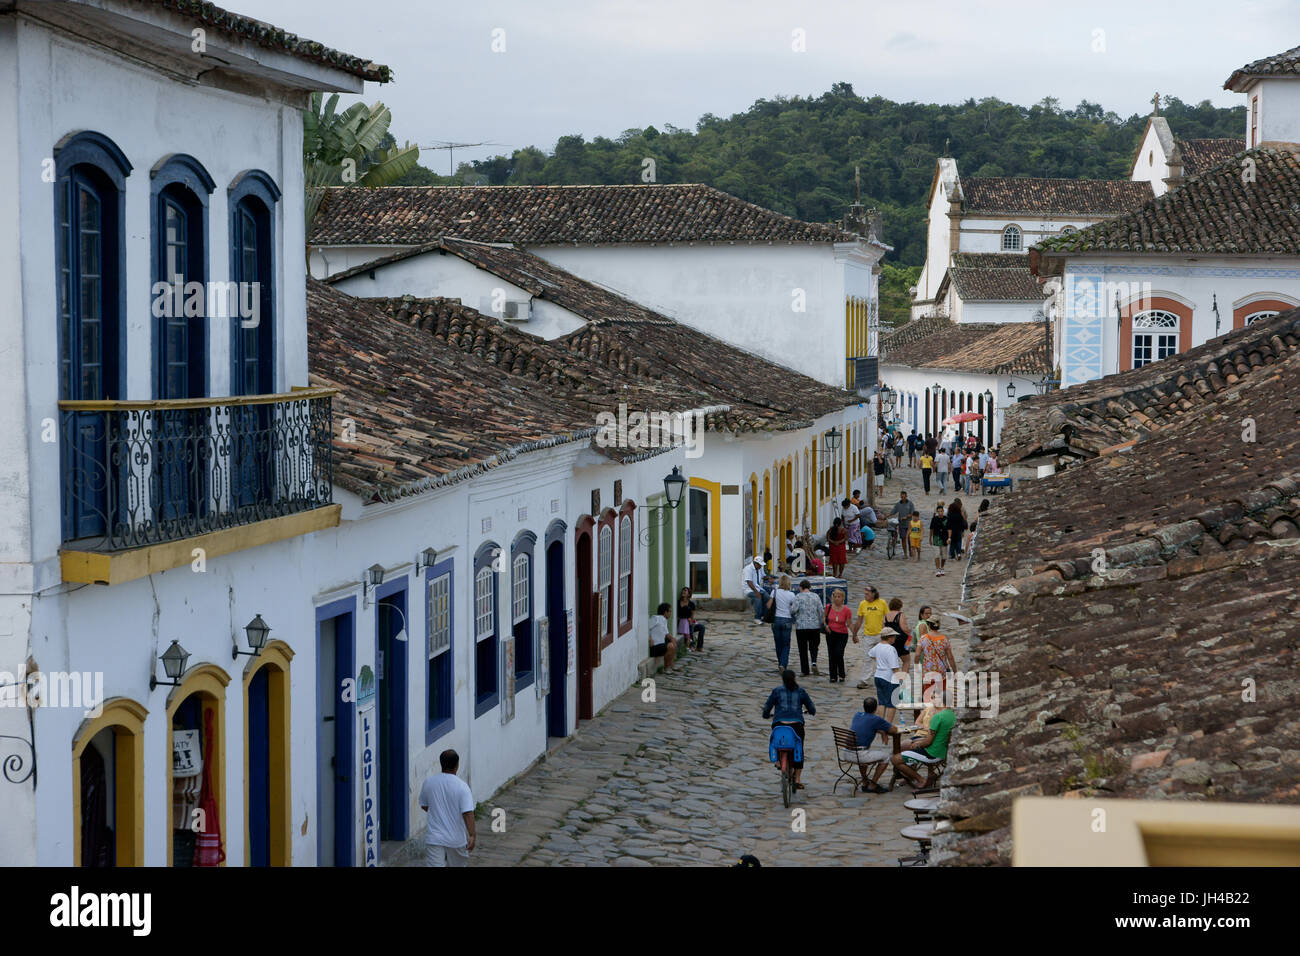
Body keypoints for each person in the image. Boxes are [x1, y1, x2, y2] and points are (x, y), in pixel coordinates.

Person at [418, 749, 477, 867]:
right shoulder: (462, 787)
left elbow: (424, 805)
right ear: (457, 765)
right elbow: (467, 813)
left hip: (434, 837)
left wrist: (437, 812)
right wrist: (472, 835)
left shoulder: (429, 782)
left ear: (441, 764)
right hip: (456, 839)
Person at [761, 670, 816, 789]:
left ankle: (778, 761)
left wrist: (766, 715)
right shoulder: (801, 692)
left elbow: (767, 707)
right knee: (799, 748)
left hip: (779, 724)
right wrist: (811, 711)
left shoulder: (777, 691)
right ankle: (797, 779)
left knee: (776, 740)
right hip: (796, 726)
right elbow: (811, 707)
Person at [891, 706, 955, 790]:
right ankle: (915, 775)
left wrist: (918, 744)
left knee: (895, 759)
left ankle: (920, 780)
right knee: (909, 747)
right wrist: (919, 742)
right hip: (944, 752)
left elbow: (928, 742)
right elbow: (937, 737)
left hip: (932, 753)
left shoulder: (938, 717)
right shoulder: (954, 715)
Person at [848, 698, 895, 793]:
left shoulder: (857, 715)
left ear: (863, 707)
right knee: (886, 757)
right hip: (859, 755)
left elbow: (867, 727)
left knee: (864, 753)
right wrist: (884, 731)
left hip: (847, 753)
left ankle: (865, 782)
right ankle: (873, 785)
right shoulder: (876, 719)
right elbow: (894, 730)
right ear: (876, 708)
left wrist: (881, 732)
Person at [851, 584, 889, 689]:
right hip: (868, 636)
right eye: (864, 594)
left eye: (867, 594)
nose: (865, 596)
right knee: (867, 658)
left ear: (873, 594)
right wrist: (854, 634)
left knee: (883, 658)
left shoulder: (882, 603)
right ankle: (864, 680)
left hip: (881, 635)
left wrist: (886, 632)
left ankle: (884, 679)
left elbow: (887, 618)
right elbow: (859, 620)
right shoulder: (863, 604)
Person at [917, 611, 956, 705]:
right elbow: (950, 657)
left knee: (928, 694)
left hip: (928, 670)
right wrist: (955, 671)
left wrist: (915, 665)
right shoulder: (944, 639)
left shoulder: (923, 638)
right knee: (940, 694)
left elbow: (917, 654)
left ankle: (929, 715)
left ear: (929, 625)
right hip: (941, 671)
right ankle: (939, 712)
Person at [867, 630, 902, 725]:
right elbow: (894, 667)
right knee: (892, 703)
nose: (895, 638)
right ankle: (888, 724)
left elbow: (870, 654)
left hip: (878, 676)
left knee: (882, 702)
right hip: (888, 677)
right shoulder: (890, 649)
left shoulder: (878, 646)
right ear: (889, 637)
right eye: (894, 636)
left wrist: (879, 662)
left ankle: (880, 722)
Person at [791, 579, 823, 676]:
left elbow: (793, 610)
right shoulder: (816, 596)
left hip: (801, 626)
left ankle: (805, 670)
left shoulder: (798, 597)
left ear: (801, 587)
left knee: (802, 648)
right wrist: (821, 622)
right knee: (814, 646)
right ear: (809, 587)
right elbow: (821, 611)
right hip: (814, 626)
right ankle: (813, 662)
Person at [766, 574, 797, 672]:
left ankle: (780, 662)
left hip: (776, 619)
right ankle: (783, 664)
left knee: (778, 643)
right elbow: (794, 608)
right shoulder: (791, 595)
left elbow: (768, 605)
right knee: (786, 644)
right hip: (787, 620)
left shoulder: (774, 592)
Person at [824, 588, 852, 683]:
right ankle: (833, 676)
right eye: (835, 596)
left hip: (842, 634)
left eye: (838, 596)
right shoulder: (828, 607)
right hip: (831, 633)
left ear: (842, 598)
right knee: (831, 654)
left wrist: (855, 634)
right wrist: (825, 625)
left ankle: (841, 674)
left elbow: (849, 623)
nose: (836, 598)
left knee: (839, 654)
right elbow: (824, 618)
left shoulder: (846, 610)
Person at [648, 601, 677, 670]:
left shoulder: (664, 620)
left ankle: (672, 665)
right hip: (654, 646)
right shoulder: (656, 618)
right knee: (670, 646)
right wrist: (650, 638)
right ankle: (666, 668)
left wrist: (673, 639)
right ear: (665, 612)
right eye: (670, 611)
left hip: (661, 644)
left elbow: (666, 634)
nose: (670, 613)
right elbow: (646, 628)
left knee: (673, 643)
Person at [742, 555, 770, 626]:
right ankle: (757, 618)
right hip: (749, 589)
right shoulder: (748, 569)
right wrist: (756, 592)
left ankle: (764, 615)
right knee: (758, 597)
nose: (761, 567)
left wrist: (769, 578)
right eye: (760, 565)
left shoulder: (759, 568)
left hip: (758, 588)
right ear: (756, 563)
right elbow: (749, 582)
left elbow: (763, 576)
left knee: (767, 597)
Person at [677, 586, 705, 651]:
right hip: (681, 623)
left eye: (685, 590)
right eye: (683, 590)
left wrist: (690, 621)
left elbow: (692, 617)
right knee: (690, 626)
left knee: (701, 627)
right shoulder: (678, 603)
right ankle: (691, 645)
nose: (683, 591)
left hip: (689, 623)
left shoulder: (691, 604)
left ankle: (699, 646)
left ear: (689, 594)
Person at [889, 492, 916, 558]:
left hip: (909, 524)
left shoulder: (910, 504)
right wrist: (887, 515)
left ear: (906, 496)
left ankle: (910, 551)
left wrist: (907, 517)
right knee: (903, 539)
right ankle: (905, 553)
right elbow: (893, 511)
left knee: (909, 539)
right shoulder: (898, 504)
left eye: (904, 496)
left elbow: (912, 513)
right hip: (901, 524)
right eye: (901, 497)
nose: (903, 498)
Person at [930, 503, 948, 577]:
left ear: (943, 511)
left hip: (944, 539)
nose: (940, 513)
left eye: (941, 511)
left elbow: (949, 529)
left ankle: (942, 567)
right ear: (937, 512)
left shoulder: (946, 519)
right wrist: (930, 538)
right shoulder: (934, 519)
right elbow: (931, 529)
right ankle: (937, 569)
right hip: (936, 538)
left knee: (944, 556)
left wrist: (949, 537)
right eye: (939, 511)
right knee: (936, 554)